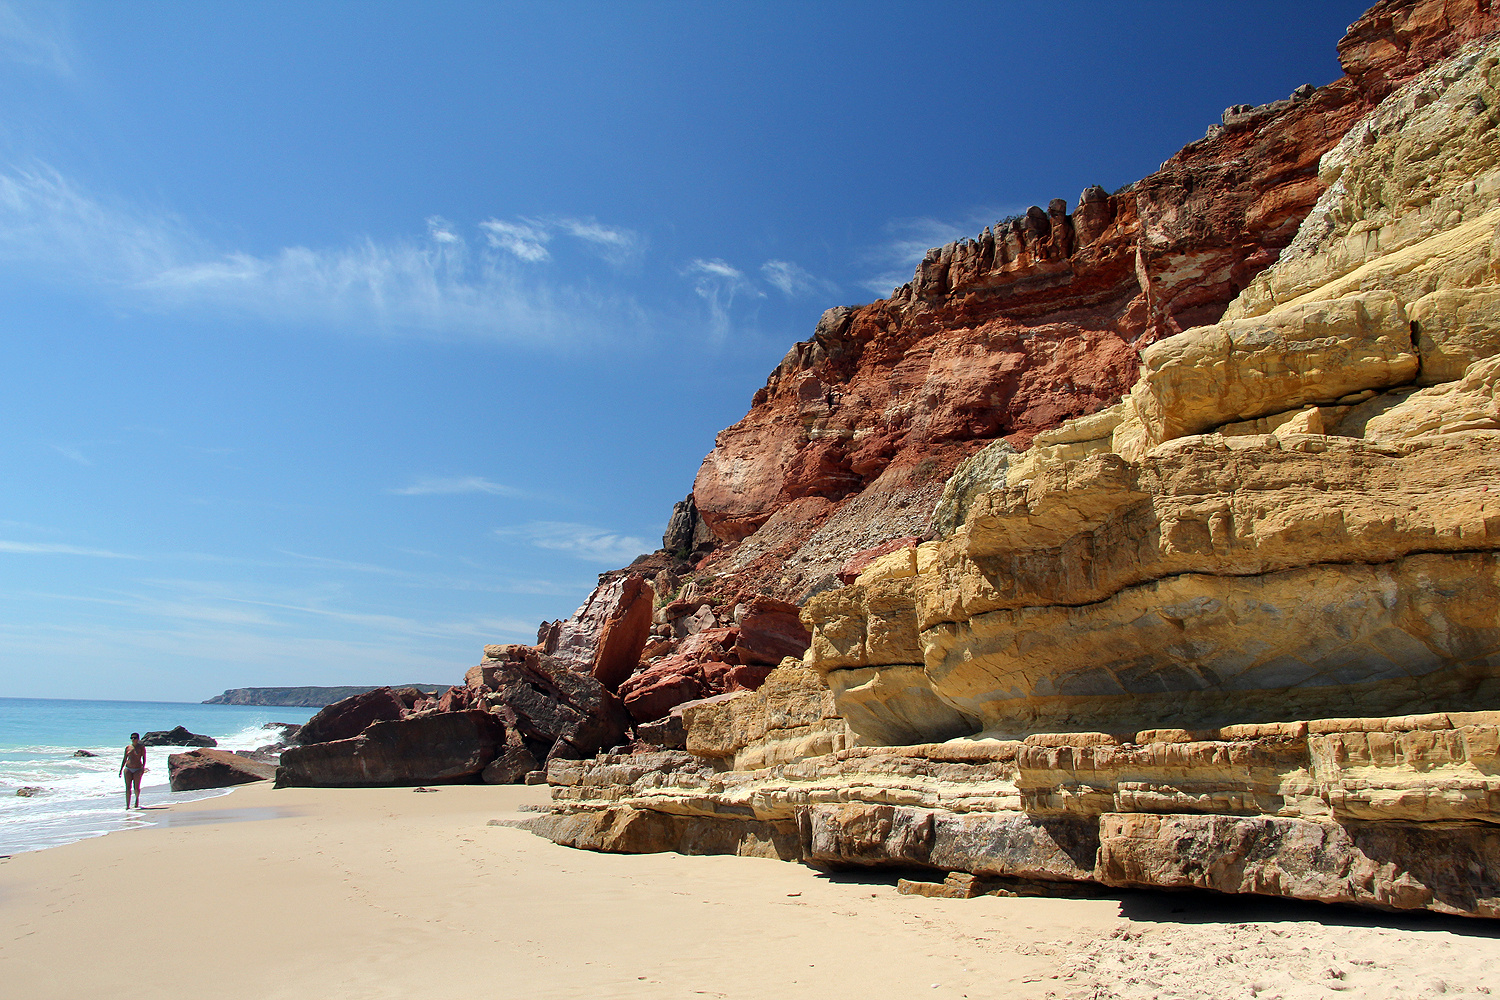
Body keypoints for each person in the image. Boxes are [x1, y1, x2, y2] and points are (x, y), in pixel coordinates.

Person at [119, 733, 146, 809]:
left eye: (134, 738)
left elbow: (144, 758)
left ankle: (136, 800)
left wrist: (143, 768)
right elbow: (124, 759)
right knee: (128, 787)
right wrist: (121, 770)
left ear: (138, 739)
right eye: (132, 738)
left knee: (136, 787)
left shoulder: (141, 747)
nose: (133, 739)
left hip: (138, 769)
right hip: (128, 768)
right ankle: (127, 806)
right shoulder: (128, 748)